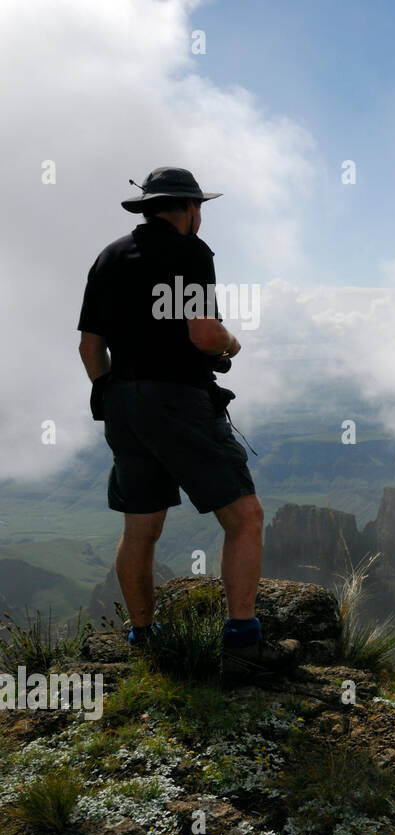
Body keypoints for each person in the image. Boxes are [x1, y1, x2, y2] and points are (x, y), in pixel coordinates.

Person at [77, 166, 293, 671]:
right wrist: (231, 344)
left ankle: (143, 641)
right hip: (176, 400)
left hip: (121, 404)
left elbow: (90, 347)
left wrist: (115, 393)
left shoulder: (108, 257)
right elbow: (203, 334)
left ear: (149, 206)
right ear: (191, 210)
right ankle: (242, 642)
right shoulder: (191, 252)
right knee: (244, 518)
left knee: (140, 527)